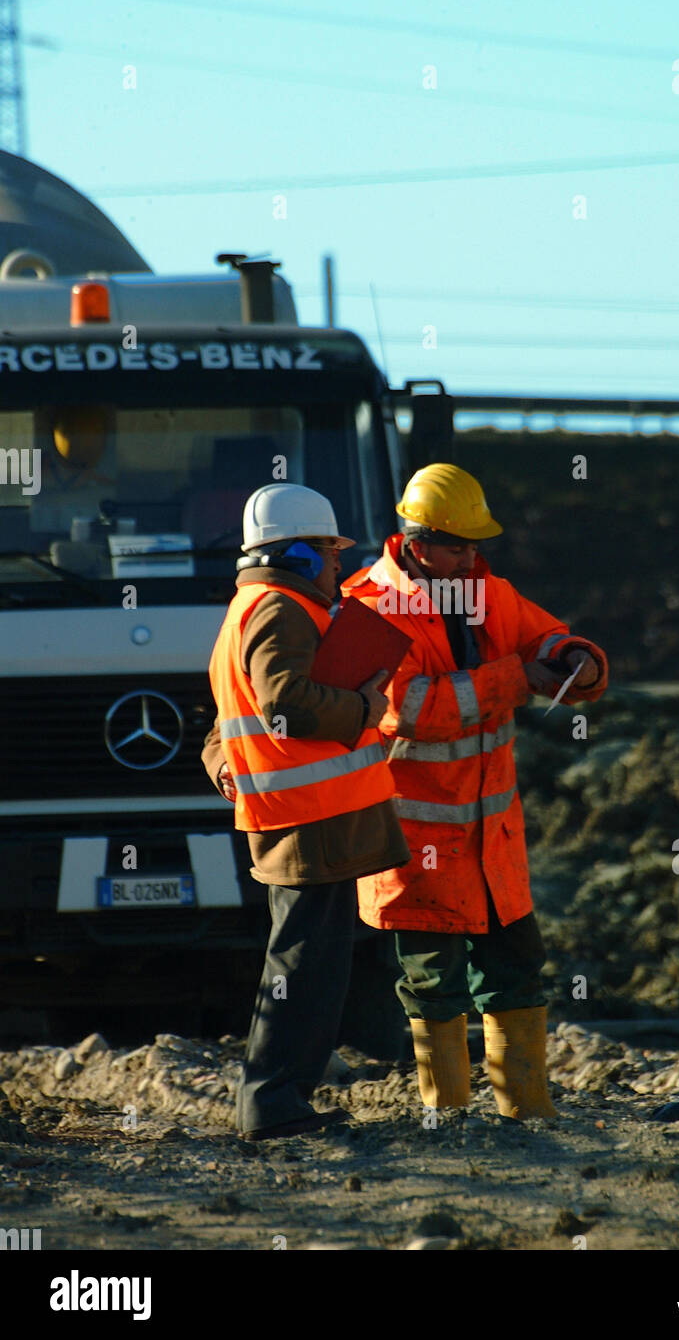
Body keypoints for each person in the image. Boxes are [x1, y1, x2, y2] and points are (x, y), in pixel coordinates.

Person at [339, 463, 608, 1120]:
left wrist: (579, 659)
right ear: (419, 541)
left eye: (475, 545)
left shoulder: (486, 591)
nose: (472, 557)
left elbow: (548, 635)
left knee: (516, 971)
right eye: (459, 545)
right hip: (417, 846)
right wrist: (518, 678)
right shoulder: (369, 605)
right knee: (433, 987)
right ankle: (449, 1123)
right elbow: (411, 708)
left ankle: (527, 1116)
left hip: (493, 844)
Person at [202, 482, 409, 1140]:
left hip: (303, 818)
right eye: (328, 551)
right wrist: (367, 711)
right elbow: (285, 705)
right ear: (296, 554)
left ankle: (281, 1098)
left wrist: (233, 771)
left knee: (308, 959)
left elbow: (221, 732)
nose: (338, 566)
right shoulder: (282, 608)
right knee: (303, 965)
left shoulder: (247, 611)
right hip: (310, 821)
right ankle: (273, 1103)